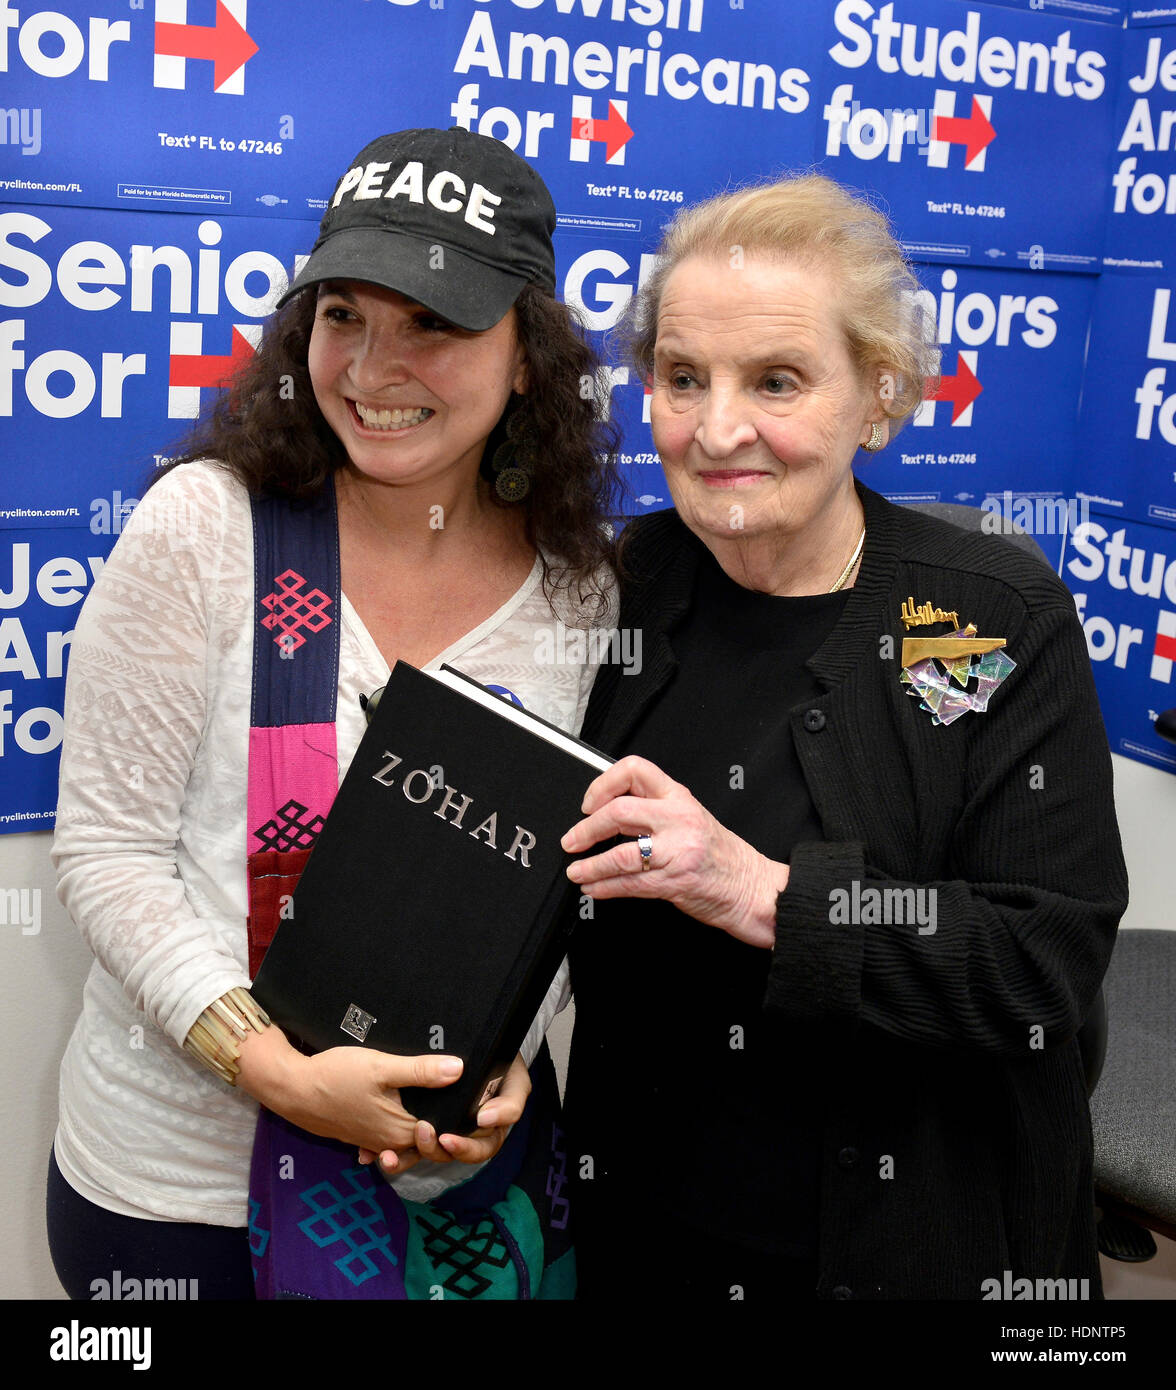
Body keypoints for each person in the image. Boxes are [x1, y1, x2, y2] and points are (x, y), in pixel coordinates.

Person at [47, 128, 618, 1301]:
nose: (369, 367)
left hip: (434, 1201)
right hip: (174, 1200)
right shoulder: (207, 529)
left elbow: (566, 884)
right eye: (343, 314)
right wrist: (272, 1068)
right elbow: (107, 853)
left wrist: (508, 1050)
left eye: (434, 325)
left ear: (527, 356)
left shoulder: (582, 592)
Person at [557, 174, 1128, 1301]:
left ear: (877, 396)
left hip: (920, 1243)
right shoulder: (629, 584)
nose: (718, 429)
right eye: (683, 378)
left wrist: (761, 891)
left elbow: (1040, 957)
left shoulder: (978, 615)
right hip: (654, 1232)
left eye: (776, 380)